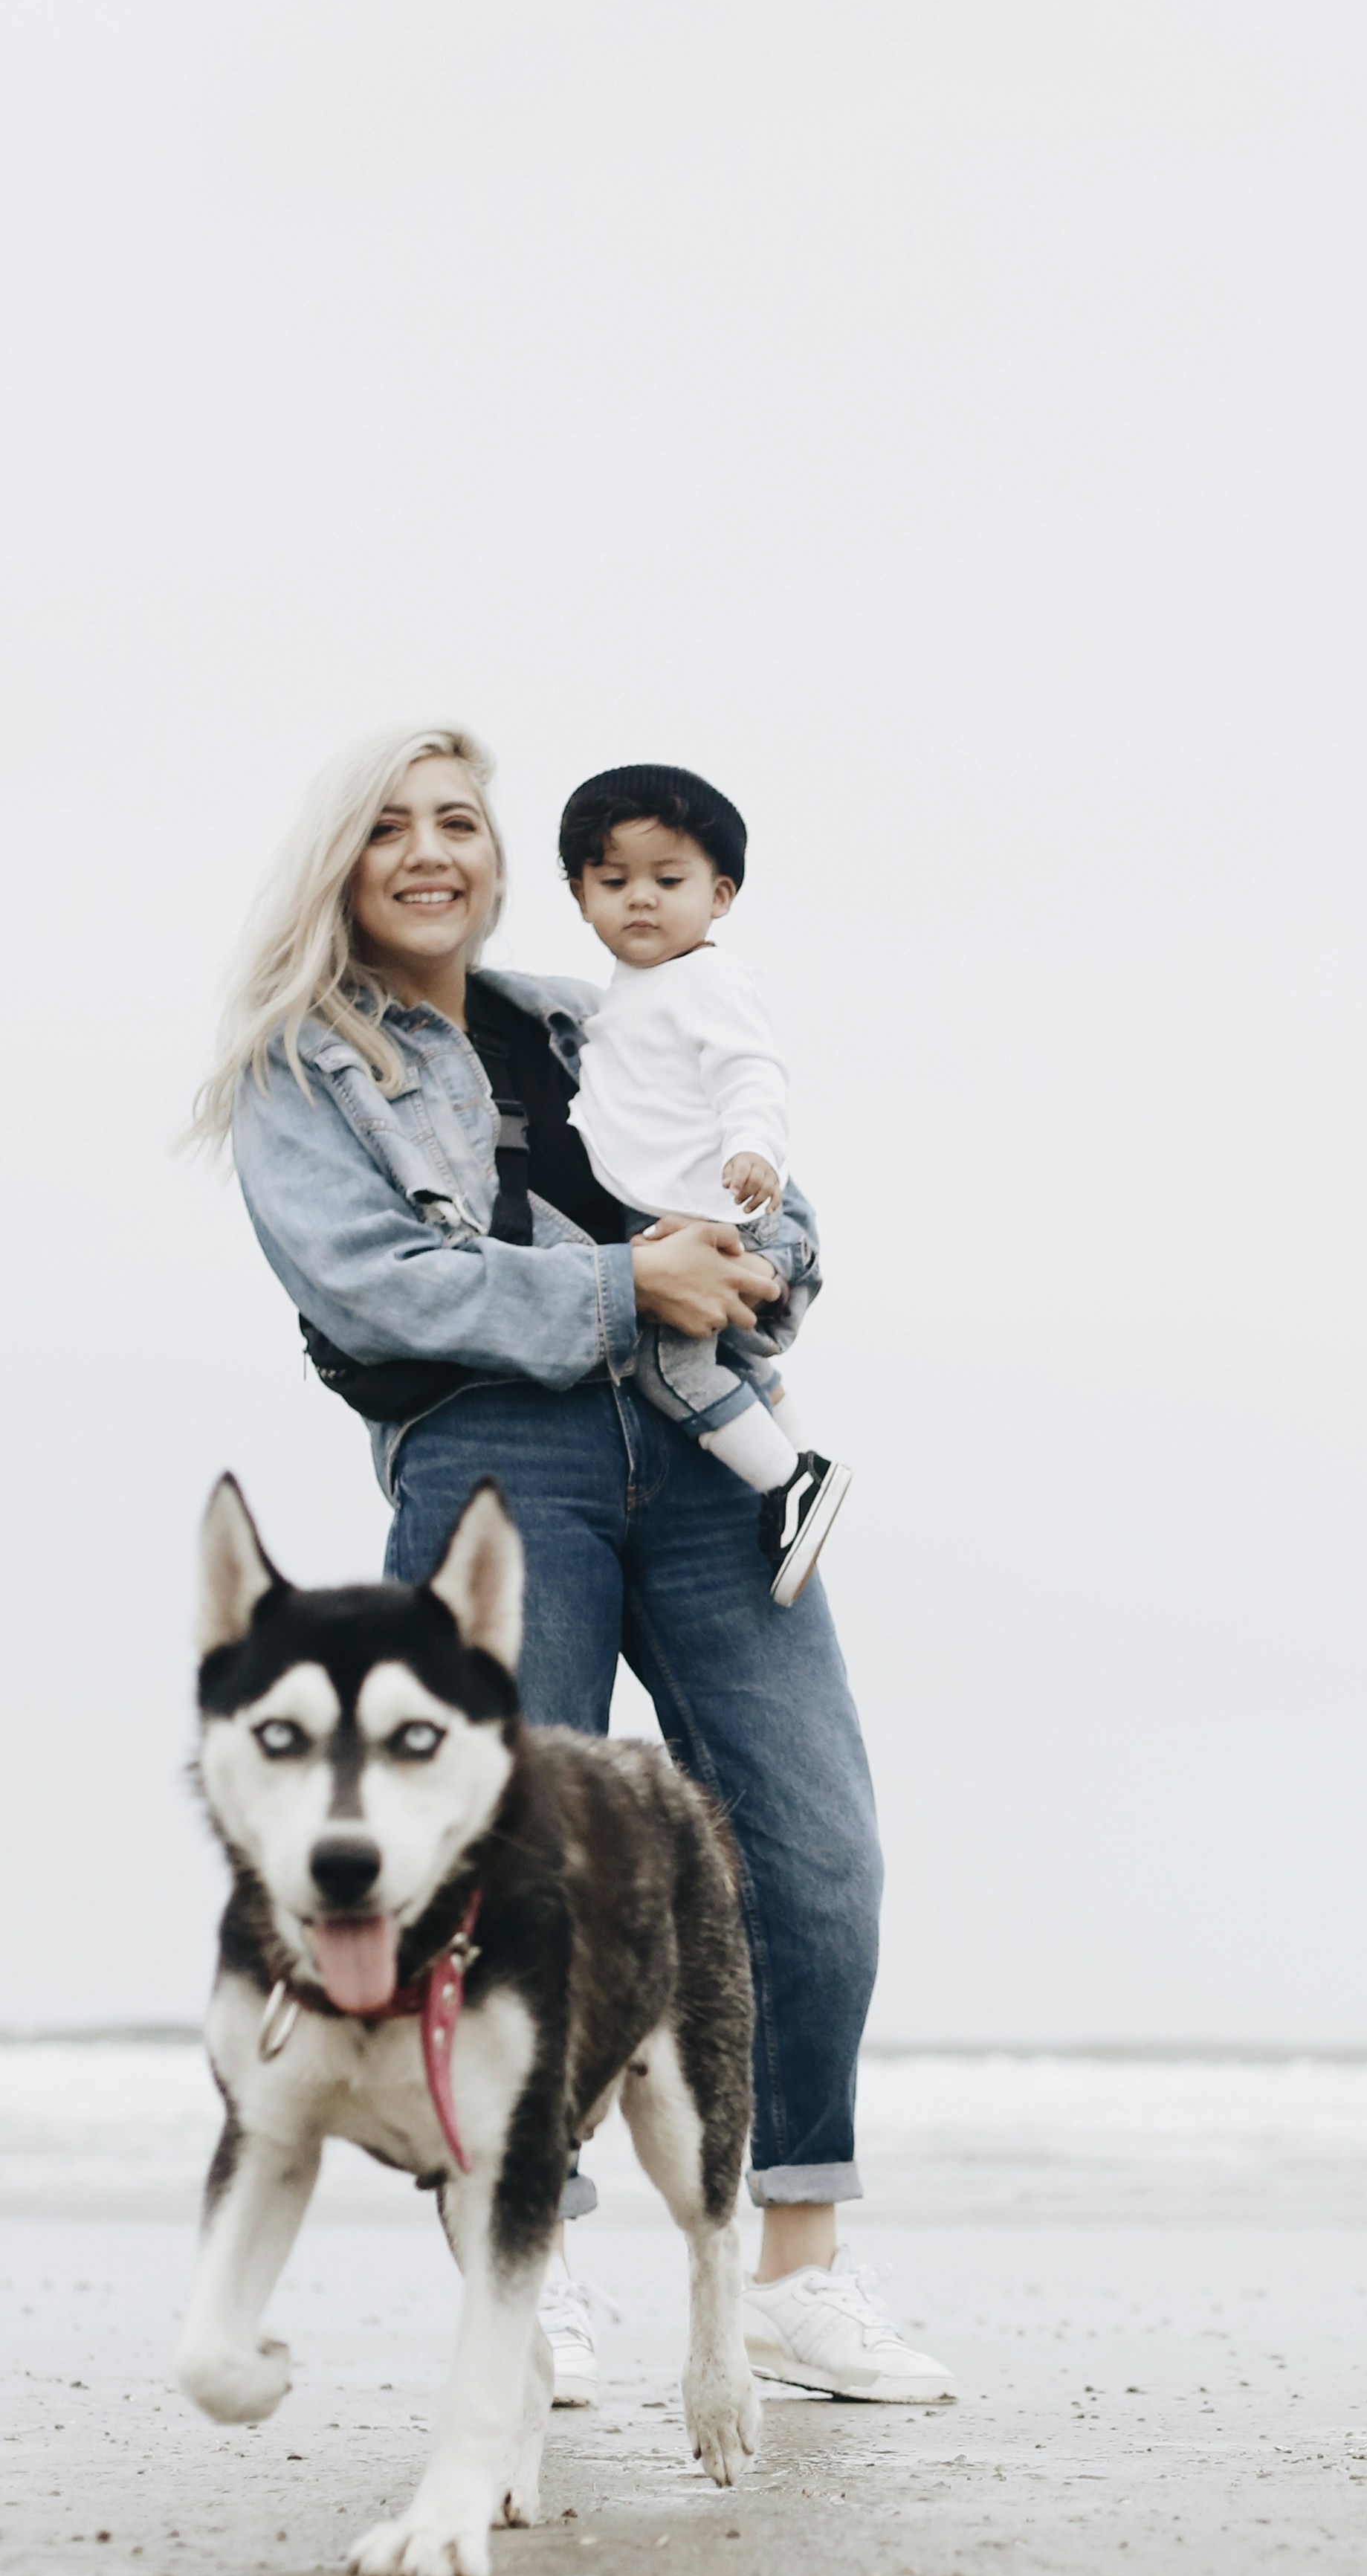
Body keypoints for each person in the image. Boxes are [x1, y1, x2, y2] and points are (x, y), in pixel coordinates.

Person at [192, 720, 952, 2411]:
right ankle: (518, 2260)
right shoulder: (304, 1066)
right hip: (494, 1461)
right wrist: (629, 1287)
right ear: (341, 856)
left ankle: (797, 2267)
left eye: (460, 820)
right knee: (505, 1874)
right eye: (388, 825)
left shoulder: (584, 1010)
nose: (430, 851)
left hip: (700, 1450)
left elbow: (766, 1200)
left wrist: (746, 1265)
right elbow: (376, 1287)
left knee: (818, 1848)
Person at [557, 760, 850, 1607]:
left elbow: (750, 1071)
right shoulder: (633, 992)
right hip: (681, 1214)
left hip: (721, 1211)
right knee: (724, 1351)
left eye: (669, 879)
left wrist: (754, 1146)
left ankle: (792, 1484)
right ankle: (795, 1452)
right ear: (581, 896)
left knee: (669, 1369)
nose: (640, 899)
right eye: (614, 881)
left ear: (719, 897)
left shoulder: (708, 981)